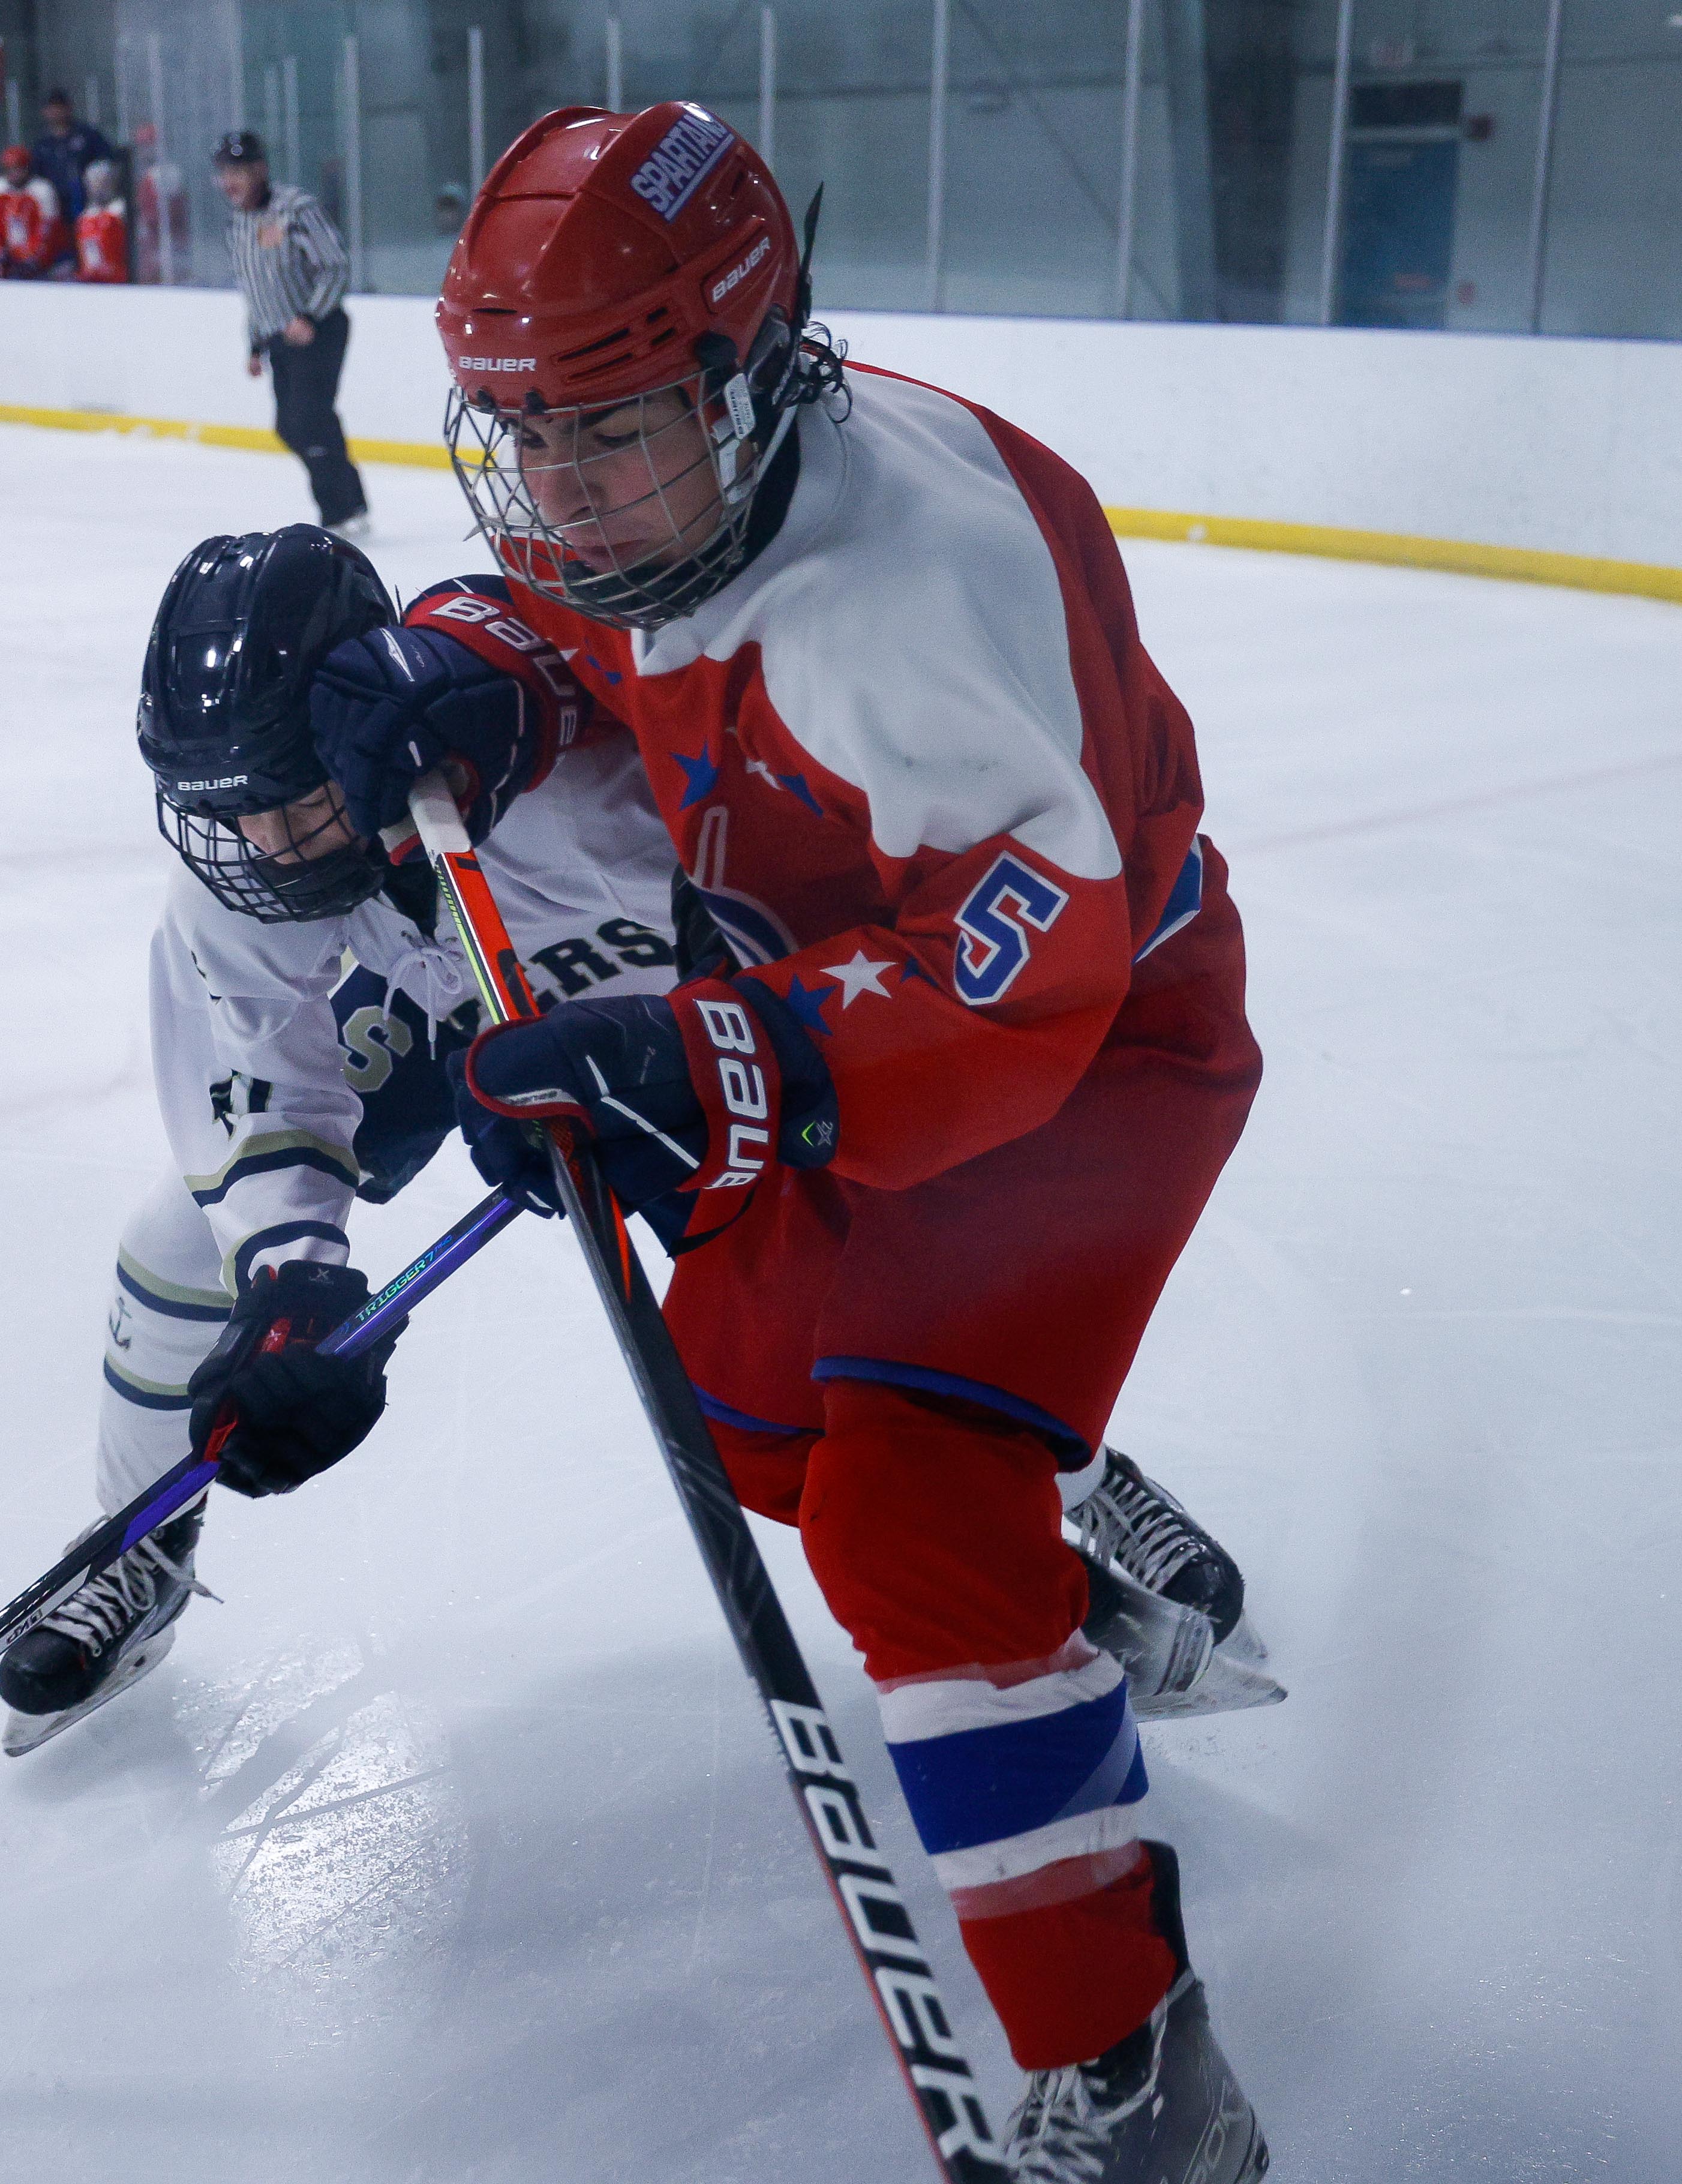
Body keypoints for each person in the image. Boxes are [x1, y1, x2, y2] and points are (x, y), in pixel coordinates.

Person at [292, 102, 1272, 2179]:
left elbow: (1023, 989)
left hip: (1078, 1057)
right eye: (514, 435)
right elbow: (591, 622)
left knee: (903, 1512)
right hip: (837, 1013)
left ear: (749, 376)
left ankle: (1136, 2080)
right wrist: (472, 667)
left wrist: (705, 1063)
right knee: (749, 1429)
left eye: (603, 432)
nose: (551, 490)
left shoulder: (922, 599)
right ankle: (1063, 1567)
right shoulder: (688, 484)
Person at [0, 525, 1275, 1789]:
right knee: (179, 1242)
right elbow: (261, 1070)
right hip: (431, 1015)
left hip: (645, 1043)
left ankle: (1075, 1474)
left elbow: (671, 745)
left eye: (295, 796)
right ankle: (138, 1545)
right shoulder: (245, 872)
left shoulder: (591, 791)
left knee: (848, 1320)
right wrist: (292, 1272)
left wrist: (714, 1058)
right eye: (228, 813)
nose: (265, 847)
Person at [213, 129, 366, 540]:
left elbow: (334, 265)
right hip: (279, 336)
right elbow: (255, 289)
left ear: (260, 170)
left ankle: (337, 512)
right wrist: (255, 344)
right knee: (292, 426)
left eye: (240, 171)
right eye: (225, 172)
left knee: (306, 418)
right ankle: (350, 498)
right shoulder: (237, 225)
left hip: (320, 330)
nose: (231, 181)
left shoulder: (296, 208)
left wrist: (310, 317)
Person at [29, 89, 115, 274]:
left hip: (86, 207)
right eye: (52, 108)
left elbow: (107, 165)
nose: (56, 112)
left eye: (60, 107)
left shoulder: (88, 136)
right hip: (57, 212)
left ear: (69, 109)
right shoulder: (43, 145)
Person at [0, 144, 60, 278]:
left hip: (37, 259)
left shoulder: (43, 190)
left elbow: (48, 231)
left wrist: (32, 258)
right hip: (8, 256)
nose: (14, 173)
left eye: (18, 168)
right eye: (9, 169)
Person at [73, 158, 127, 285]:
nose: (99, 187)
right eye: (94, 182)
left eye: (104, 181)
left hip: (120, 281)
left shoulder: (122, 210)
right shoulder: (85, 216)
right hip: (93, 283)